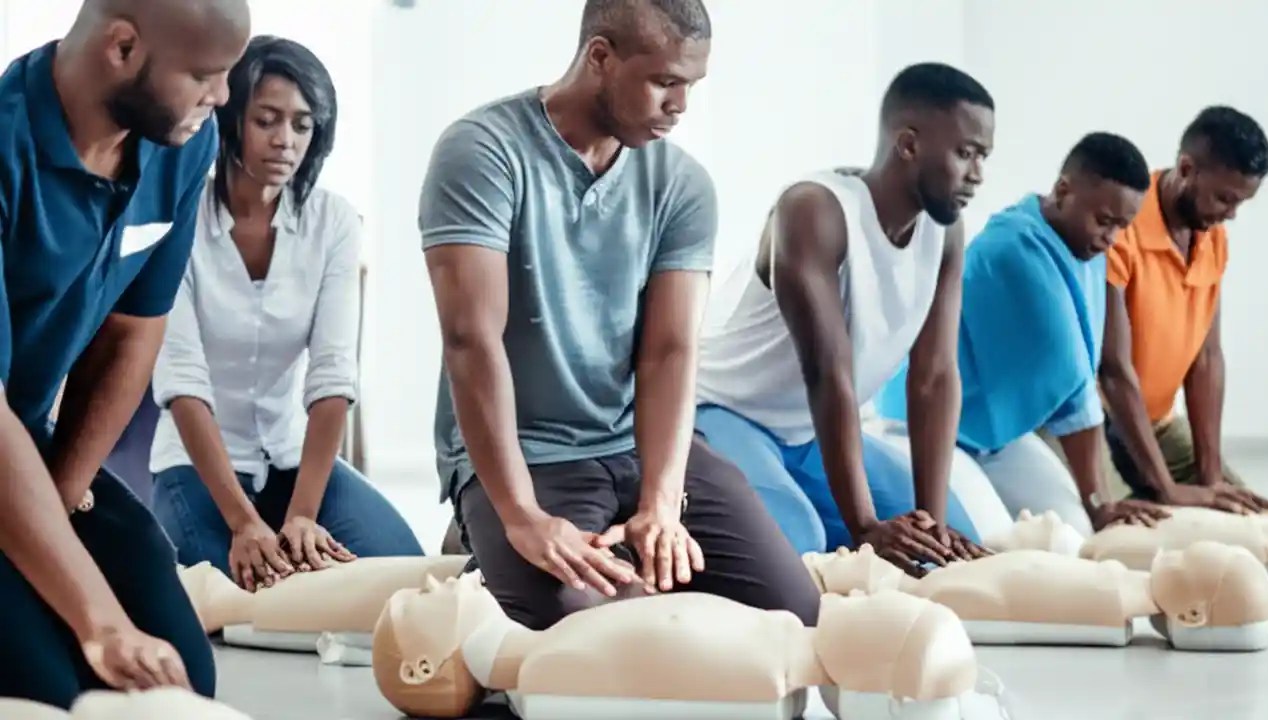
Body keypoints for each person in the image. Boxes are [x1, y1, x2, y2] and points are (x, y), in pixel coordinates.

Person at [420, 0, 819, 631]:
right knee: (588, 626)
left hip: (636, 442)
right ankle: (483, 531)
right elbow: (473, 340)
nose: (680, 105)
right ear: (600, 58)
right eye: (665, 82)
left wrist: (662, 504)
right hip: (531, 453)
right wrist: (521, 514)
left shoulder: (682, 184)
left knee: (794, 611)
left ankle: (610, 535)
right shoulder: (482, 151)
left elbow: (669, 350)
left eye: (691, 85)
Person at [0, 0, 250, 707]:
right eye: (205, 74)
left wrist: (50, 514)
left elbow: (132, 332)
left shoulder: (181, 143)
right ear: (122, 48)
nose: (224, 96)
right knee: (50, 690)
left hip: (30, 446)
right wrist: (98, 622)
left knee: (178, 680)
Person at [694, 62, 997, 573]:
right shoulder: (814, 211)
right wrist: (864, 528)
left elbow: (935, 377)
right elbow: (828, 373)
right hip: (720, 413)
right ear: (908, 144)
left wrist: (931, 526)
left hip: (807, 434)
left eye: (983, 157)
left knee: (956, 544)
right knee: (799, 545)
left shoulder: (945, 234)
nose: (978, 175)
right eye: (965, 153)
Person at [148, 36, 424, 593]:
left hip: (293, 458)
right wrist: (245, 523)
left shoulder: (334, 223)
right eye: (267, 120)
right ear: (231, 121)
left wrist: (302, 517)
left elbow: (332, 376)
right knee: (239, 593)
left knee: (404, 577)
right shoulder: (180, 220)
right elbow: (183, 383)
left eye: (302, 125)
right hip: (198, 467)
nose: (285, 141)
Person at [877, 132, 1169, 536]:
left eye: (1122, 226)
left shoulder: (1085, 250)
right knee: (994, 539)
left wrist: (1099, 505)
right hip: (920, 428)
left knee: (1073, 533)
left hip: (994, 437)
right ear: (1063, 190)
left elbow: (1079, 393)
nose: (1111, 238)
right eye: (1104, 221)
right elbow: (1075, 376)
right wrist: (1100, 501)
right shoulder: (1012, 248)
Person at [1099, 106, 1268, 513]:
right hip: (1100, 421)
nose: (1230, 214)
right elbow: (1113, 370)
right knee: (1118, 527)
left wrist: (1210, 475)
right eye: (1224, 198)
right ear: (1186, 168)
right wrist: (1167, 486)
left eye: (1240, 203)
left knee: (1254, 516)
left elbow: (1207, 359)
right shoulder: (1122, 225)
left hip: (1157, 424)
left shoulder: (1212, 239)